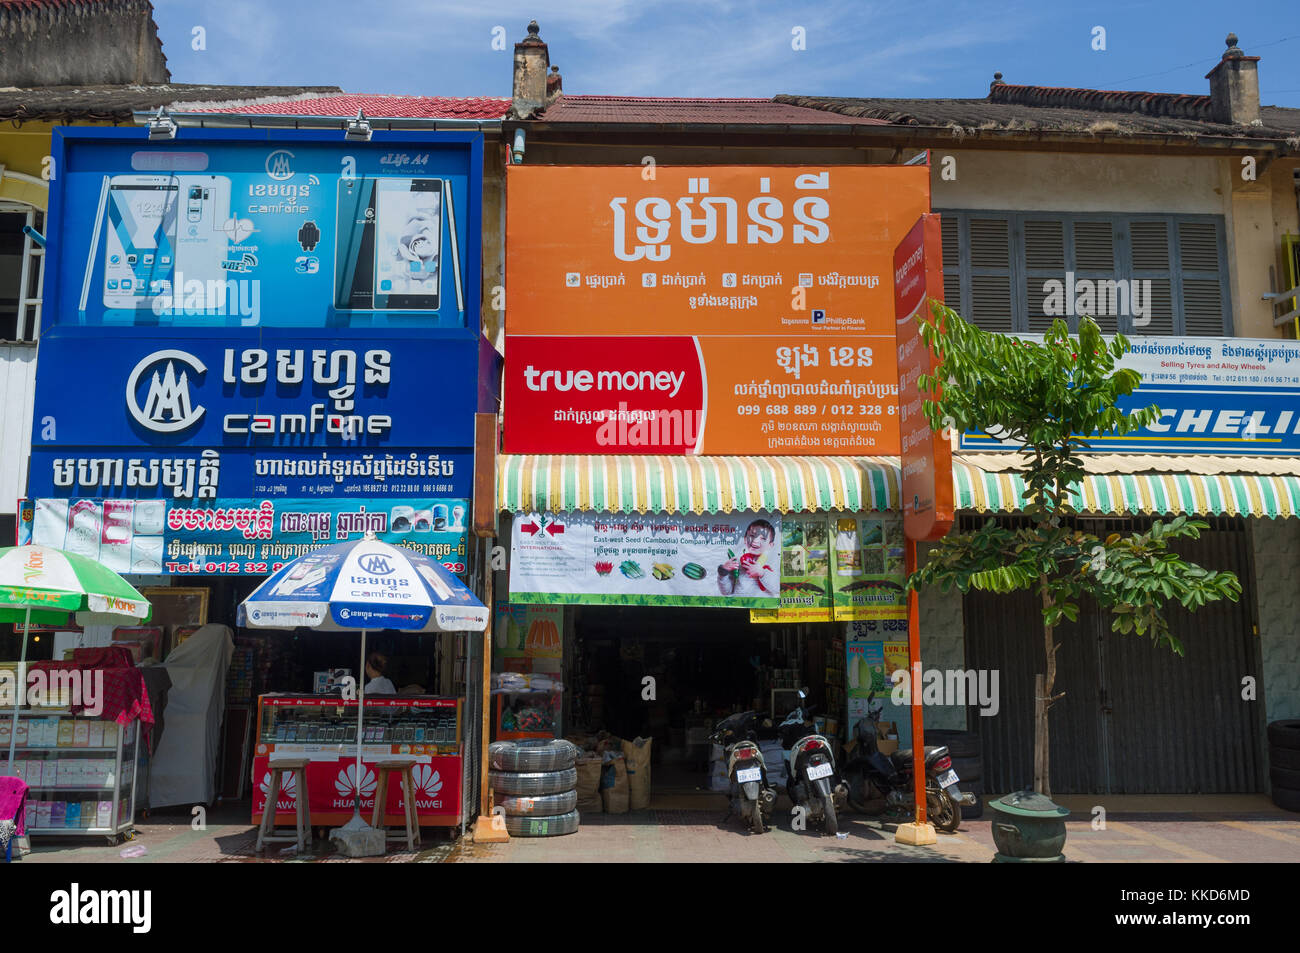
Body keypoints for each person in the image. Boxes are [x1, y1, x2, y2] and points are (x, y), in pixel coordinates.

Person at [717, 519, 778, 597]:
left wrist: (762, 573)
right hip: (740, 605)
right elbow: (726, 592)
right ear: (745, 539)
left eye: (763, 539)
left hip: (762, 606)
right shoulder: (738, 562)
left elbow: (777, 589)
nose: (755, 541)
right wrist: (723, 573)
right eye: (752, 536)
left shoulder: (773, 561)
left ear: (770, 545)